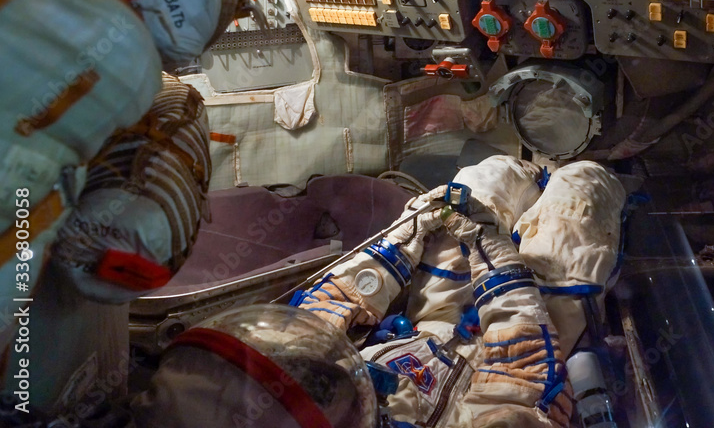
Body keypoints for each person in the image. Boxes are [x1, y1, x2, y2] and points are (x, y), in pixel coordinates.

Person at [129, 155, 627, 428]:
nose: (317, 381)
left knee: (486, 178)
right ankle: (569, 176)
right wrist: (488, 244)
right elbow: (517, 369)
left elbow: (331, 305)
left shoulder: (275, 380)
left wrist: (412, 233)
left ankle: (533, 174)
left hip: (432, 318)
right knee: (583, 191)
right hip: (516, 350)